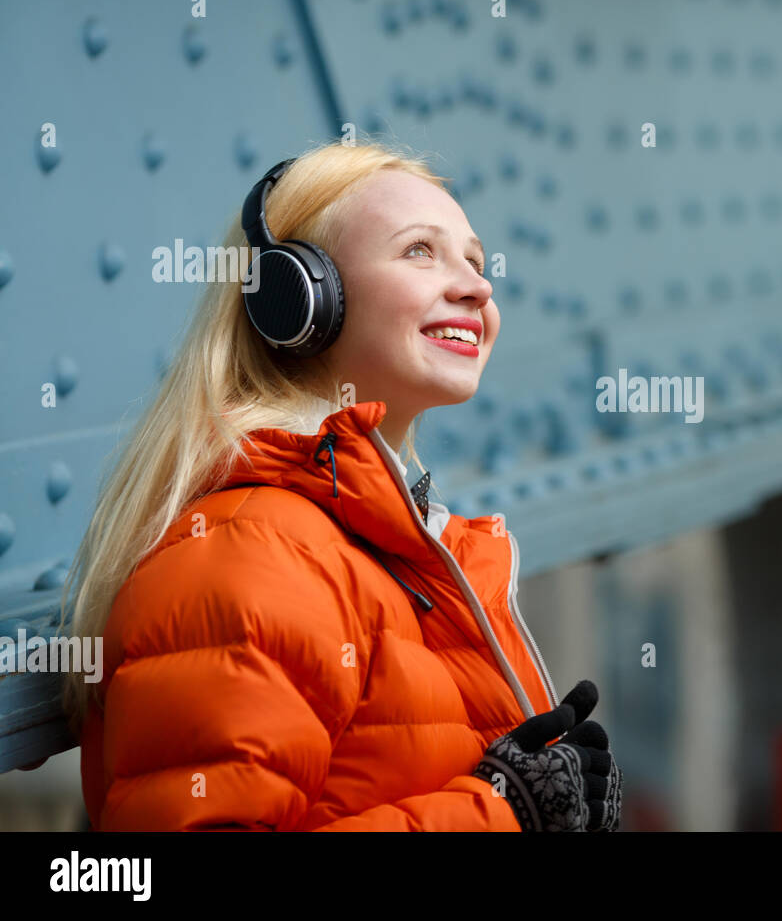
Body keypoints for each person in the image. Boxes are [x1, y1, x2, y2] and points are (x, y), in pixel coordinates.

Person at [58, 140, 622, 831]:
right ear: (297, 297)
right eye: (420, 251)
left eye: (476, 262)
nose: (477, 286)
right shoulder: (250, 554)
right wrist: (499, 812)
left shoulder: (394, 548)